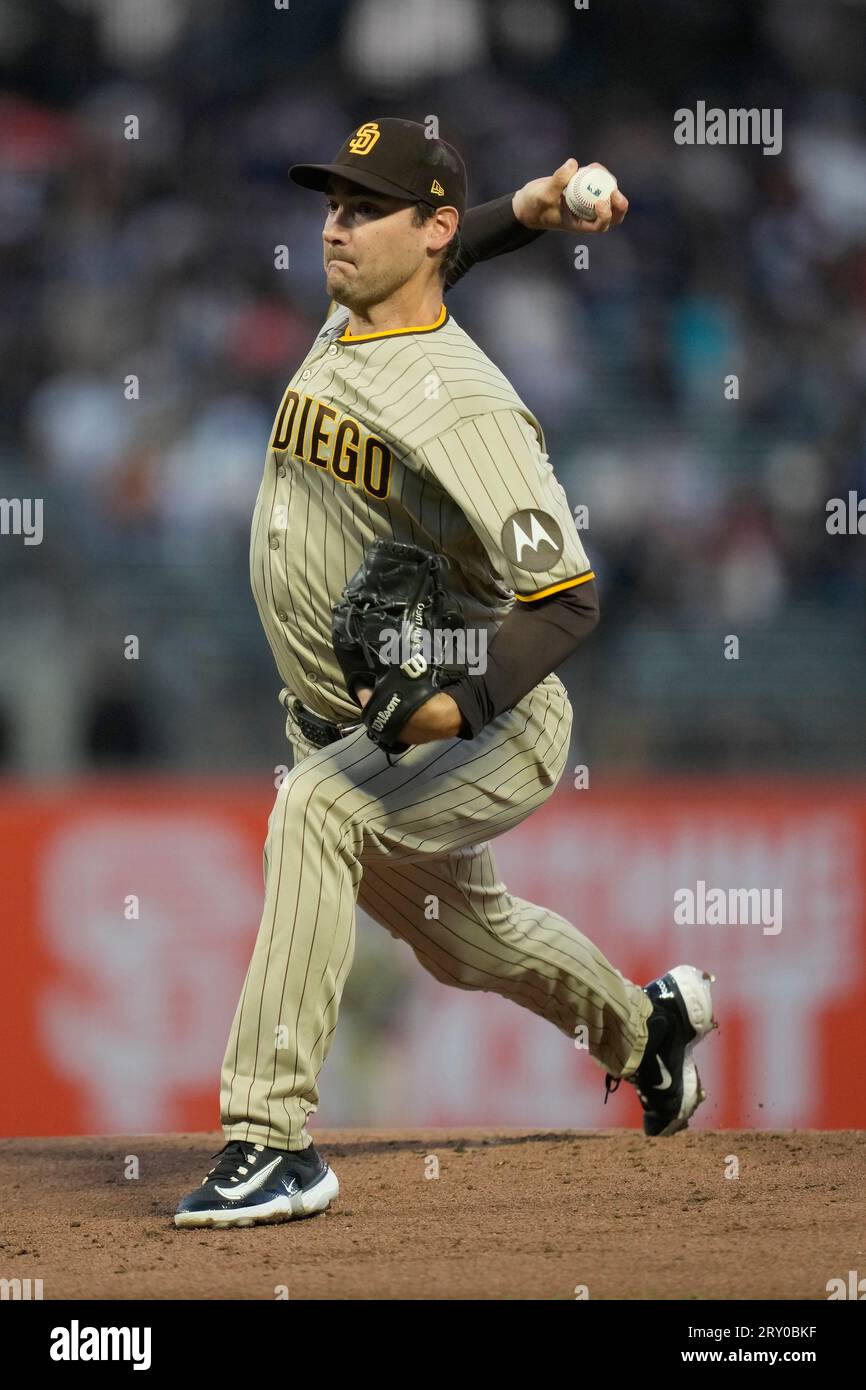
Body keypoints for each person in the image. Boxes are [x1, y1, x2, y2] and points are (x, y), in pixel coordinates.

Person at [174, 118, 716, 1229]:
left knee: (315, 814)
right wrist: (524, 209)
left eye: (363, 210)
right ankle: (643, 1033)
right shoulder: (363, 305)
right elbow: (445, 251)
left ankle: (271, 1139)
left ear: (414, 230)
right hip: (353, 718)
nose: (335, 227)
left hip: (476, 725)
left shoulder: (463, 404)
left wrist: (450, 701)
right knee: (468, 942)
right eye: (332, 205)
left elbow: (566, 600)